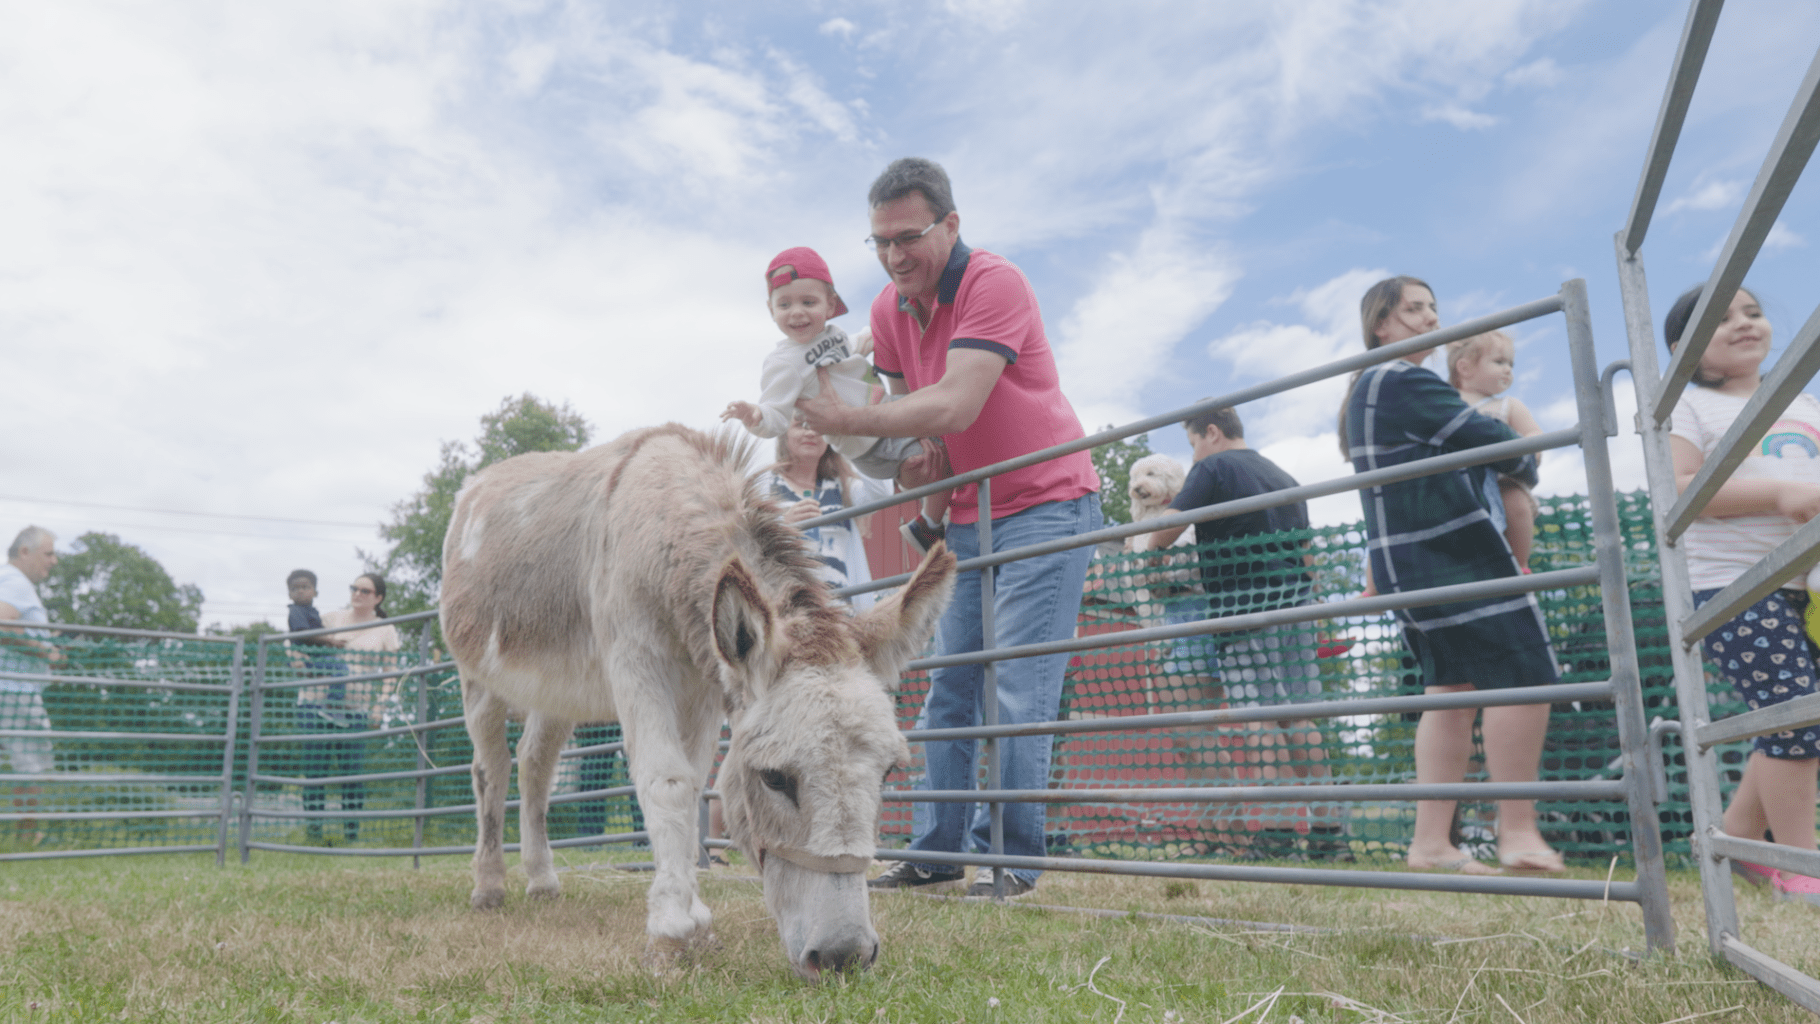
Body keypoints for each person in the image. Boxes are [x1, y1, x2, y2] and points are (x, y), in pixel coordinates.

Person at [799, 157, 1102, 899]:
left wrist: (847, 421)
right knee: (950, 686)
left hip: (1046, 501)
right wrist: (910, 468)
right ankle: (936, 850)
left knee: (1020, 684)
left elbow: (955, 404)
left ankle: (1009, 860)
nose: (894, 255)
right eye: (880, 241)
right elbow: (920, 431)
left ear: (951, 225)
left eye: (909, 237)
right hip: (968, 512)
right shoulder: (887, 311)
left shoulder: (994, 282)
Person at [1342, 276, 1564, 876]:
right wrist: (1523, 455)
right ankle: (1517, 833)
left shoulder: (1369, 386)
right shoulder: (1401, 379)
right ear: (1381, 325)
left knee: (1450, 692)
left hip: (1407, 557)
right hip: (1450, 549)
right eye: (1414, 308)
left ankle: (1431, 843)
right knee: (1525, 673)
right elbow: (1497, 443)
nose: (1430, 318)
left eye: (1434, 308)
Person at [1665, 284, 1820, 907]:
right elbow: (1681, 488)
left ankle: (1736, 842)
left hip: (1804, 583)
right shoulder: (1689, 406)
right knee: (1796, 715)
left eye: (1752, 312)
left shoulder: (1803, 403)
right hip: (1731, 585)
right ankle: (1800, 867)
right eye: (1721, 318)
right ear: (1682, 349)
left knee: (1794, 715)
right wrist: (1778, 495)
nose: (1744, 323)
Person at [1144, 406, 1337, 857]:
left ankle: (1276, 833)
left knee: (1259, 718)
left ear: (1211, 432)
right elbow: (1306, 552)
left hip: (1243, 606)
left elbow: (1169, 524)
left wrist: (1150, 557)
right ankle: (1329, 833)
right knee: (1300, 717)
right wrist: (1315, 607)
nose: (1194, 455)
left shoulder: (1214, 467)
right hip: (1297, 605)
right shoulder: (1284, 476)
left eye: (1193, 443)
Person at [721, 245, 952, 555]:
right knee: (934, 455)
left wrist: (885, 328)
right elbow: (775, 412)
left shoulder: (833, 335)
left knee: (942, 426)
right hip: (866, 440)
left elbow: (858, 344)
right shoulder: (783, 363)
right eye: (784, 304)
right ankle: (930, 523)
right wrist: (755, 415)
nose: (797, 312)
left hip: (885, 411)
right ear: (771, 309)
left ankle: (936, 515)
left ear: (830, 305)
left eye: (808, 302)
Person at [758, 416, 892, 613]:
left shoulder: (843, 487)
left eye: (818, 426)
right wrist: (782, 527)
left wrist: (850, 439)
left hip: (839, 614)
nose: (810, 432)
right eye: (800, 425)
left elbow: (882, 492)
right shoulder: (764, 487)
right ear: (784, 434)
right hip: (787, 612)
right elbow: (748, 545)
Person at [1447, 330, 1544, 569]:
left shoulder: (1508, 406)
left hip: (1502, 481)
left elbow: (1533, 434)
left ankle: (1519, 566)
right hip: (1460, 484)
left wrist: (1532, 449)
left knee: (1516, 501)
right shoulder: (1448, 403)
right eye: (1499, 362)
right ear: (1465, 368)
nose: (1508, 369)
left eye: (1511, 364)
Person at [285, 569, 358, 844]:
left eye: (305, 587)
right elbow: (303, 635)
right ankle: (333, 706)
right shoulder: (297, 612)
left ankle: (348, 833)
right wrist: (330, 641)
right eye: (295, 588)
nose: (300, 592)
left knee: (339, 669)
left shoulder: (314, 612)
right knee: (340, 670)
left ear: (315, 590)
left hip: (317, 656)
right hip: (312, 656)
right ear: (289, 593)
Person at [0, 526, 61, 843]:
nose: (54, 561)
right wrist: (45, 650)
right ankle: (28, 837)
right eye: (48, 553)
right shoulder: (16, 583)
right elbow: (2, 623)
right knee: (32, 763)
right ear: (25, 552)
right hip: (15, 691)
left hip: (12, 688)